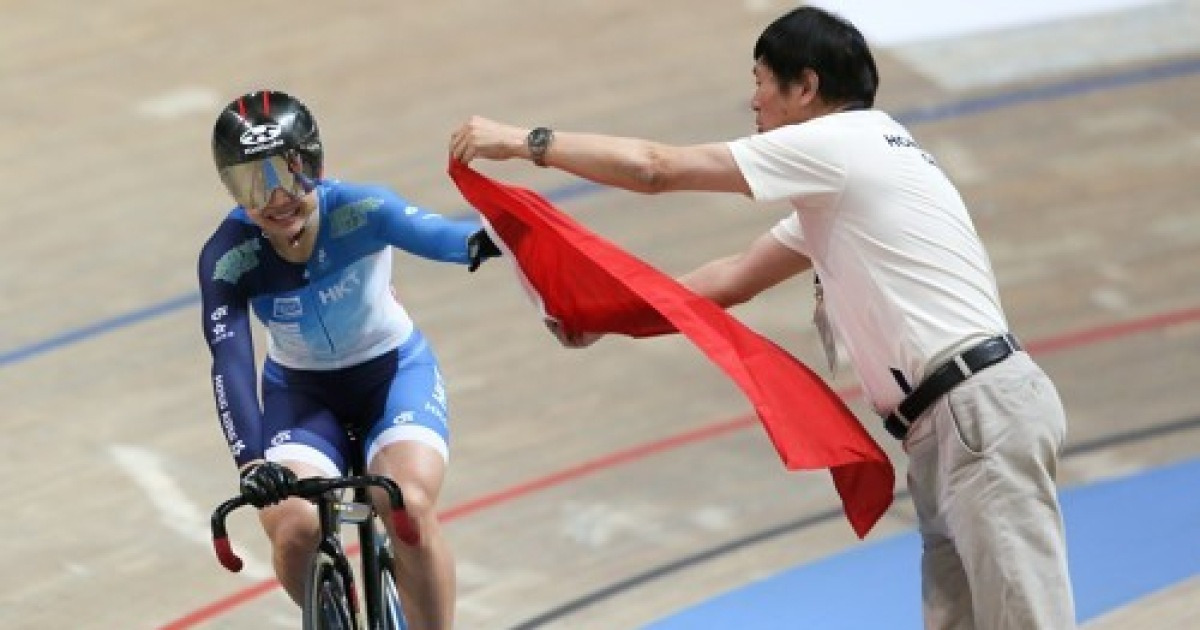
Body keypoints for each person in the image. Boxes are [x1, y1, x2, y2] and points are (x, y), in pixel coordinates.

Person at [449, 6, 1074, 629]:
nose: (753, 102)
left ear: (804, 87)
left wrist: (524, 142)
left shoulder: (839, 144)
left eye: (760, 81)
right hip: (953, 425)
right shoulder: (852, 168)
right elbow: (733, 278)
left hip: (976, 414)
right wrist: (609, 316)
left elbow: (654, 168)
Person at [199, 89, 498, 630]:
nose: (274, 198)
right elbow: (229, 360)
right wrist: (251, 461)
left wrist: (495, 240)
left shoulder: (362, 210)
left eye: (287, 173)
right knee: (293, 528)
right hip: (301, 395)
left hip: (392, 375)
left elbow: (440, 235)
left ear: (313, 163)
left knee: (405, 506)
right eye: (251, 184)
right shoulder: (229, 255)